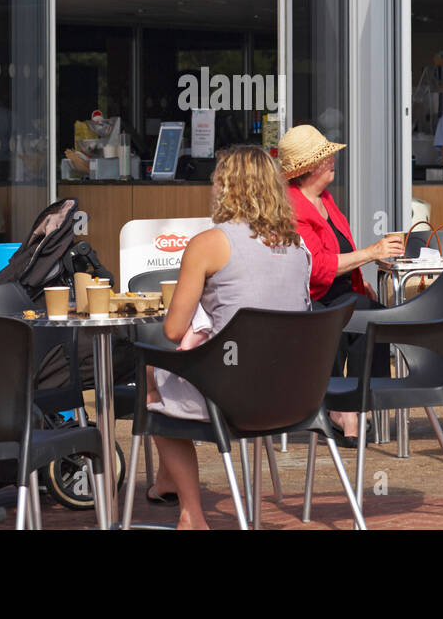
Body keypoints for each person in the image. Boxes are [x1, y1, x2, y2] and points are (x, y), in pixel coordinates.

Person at [146, 145, 311, 529]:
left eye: (217, 178)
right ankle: (168, 479)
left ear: (226, 186)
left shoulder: (209, 244)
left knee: (152, 373)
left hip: (231, 393)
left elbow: (172, 330)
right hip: (292, 394)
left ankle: (191, 512)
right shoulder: (297, 246)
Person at [279, 124, 403, 443]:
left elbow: (342, 251)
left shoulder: (325, 198)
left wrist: (363, 280)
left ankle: (359, 404)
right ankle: (342, 407)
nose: (332, 160)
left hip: (337, 293)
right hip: (308, 298)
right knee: (346, 320)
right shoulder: (292, 207)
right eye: (324, 158)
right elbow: (318, 269)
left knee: (373, 315)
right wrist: (372, 252)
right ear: (306, 169)